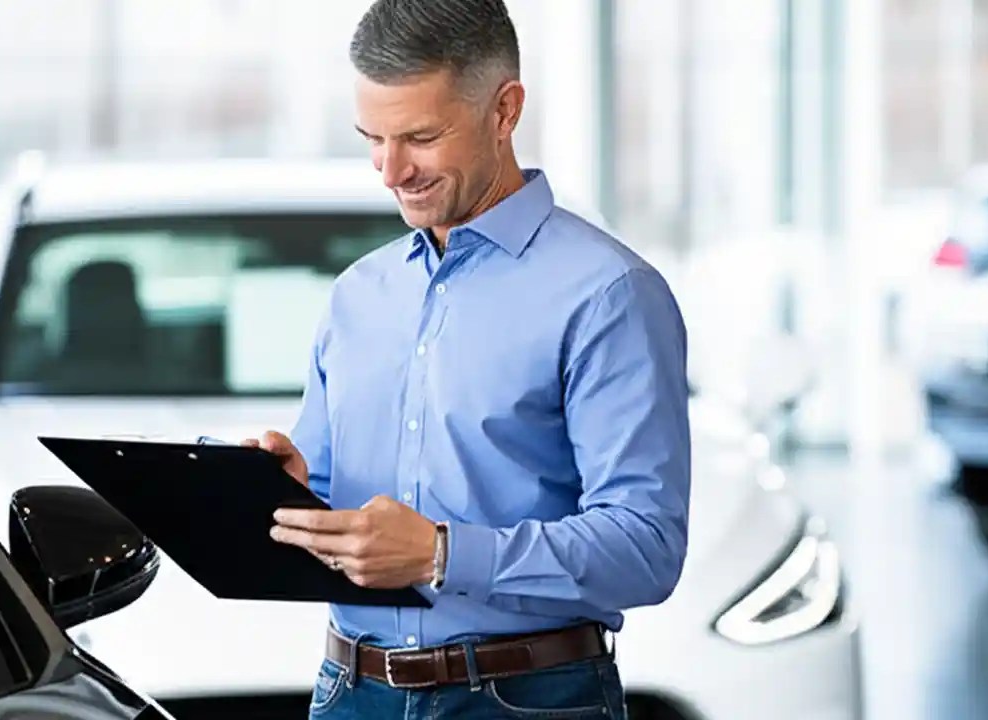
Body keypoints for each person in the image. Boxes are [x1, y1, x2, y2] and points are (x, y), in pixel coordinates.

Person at [245, 0, 691, 716]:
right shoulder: (359, 294)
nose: (391, 171)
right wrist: (288, 490)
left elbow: (644, 548)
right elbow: (334, 505)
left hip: (525, 700)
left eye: (420, 137)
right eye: (373, 138)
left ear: (505, 111)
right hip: (349, 695)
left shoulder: (609, 294)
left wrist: (440, 554)